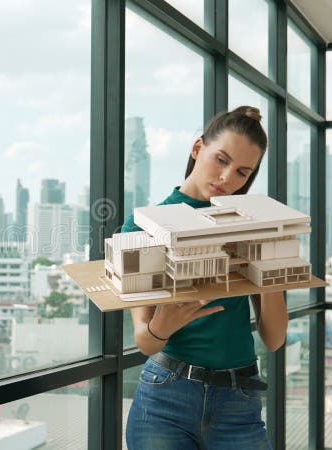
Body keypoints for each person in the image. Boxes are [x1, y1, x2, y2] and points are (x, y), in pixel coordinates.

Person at [124, 106, 287, 450]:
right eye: (221, 160)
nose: (228, 178)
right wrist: (164, 323)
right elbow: (145, 342)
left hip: (238, 399)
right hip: (164, 397)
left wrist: (271, 264)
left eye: (243, 172)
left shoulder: (250, 225)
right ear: (198, 148)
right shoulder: (143, 225)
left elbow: (273, 339)